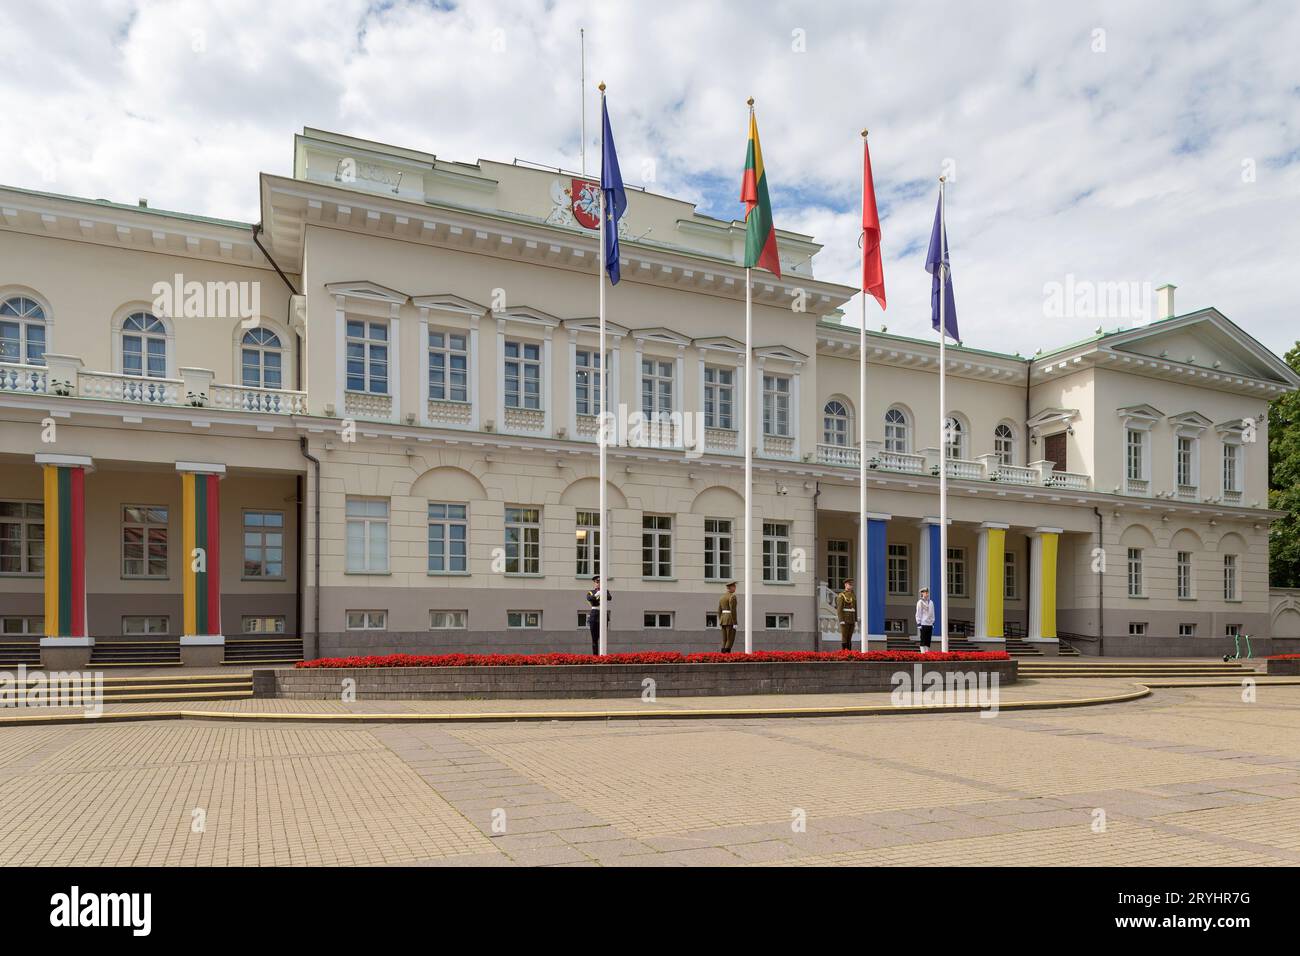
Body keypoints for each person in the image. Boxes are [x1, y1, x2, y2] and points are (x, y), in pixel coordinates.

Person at [585, 576, 611, 655]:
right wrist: (597, 594)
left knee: (603, 638)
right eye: (597, 582)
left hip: (603, 614)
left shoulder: (605, 591)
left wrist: (602, 592)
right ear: (595, 583)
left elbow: (609, 597)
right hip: (594, 614)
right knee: (594, 639)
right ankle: (595, 657)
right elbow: (590, 598)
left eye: (600, 582)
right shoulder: (591, 592)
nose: (599, 584)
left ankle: (603, 655)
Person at [834, 578, 858, 651]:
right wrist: (841, 620)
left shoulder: (853, 595)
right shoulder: (841, 595)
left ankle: (849, 652)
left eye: (852, 585)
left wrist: (855, 619)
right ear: (845, 585)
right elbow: (839, 609)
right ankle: (844, 652)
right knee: (844, 637)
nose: (851, 586)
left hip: (852, 618)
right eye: (849, 584)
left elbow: (855, 607)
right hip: (845, 619)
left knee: (849, 637)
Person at [718, 581, 738, 653]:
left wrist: (721, 620)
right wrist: (735, 622)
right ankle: (727, 655)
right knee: (730, 639)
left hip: (723, 620)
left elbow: (719, 610)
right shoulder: (732, 597)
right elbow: (733, 610)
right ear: (731, 587)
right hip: (730, 620)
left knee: (724, 639)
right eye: (734, 586)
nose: (735, 588)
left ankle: (722, 655)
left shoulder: (722, 597)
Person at [915, 586, 935, 652]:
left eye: (927, 592)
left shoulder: (931, 602)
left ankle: (927, 653)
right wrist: (919, 623)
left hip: (929, 623)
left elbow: (932, 613)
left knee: (928, 640)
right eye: (925, 592)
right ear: (922, 593)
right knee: (923, 639)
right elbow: (918, 613)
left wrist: (932, 622)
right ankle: (923, 653)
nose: (926, 594)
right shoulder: (920, 602)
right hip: (923, 623)